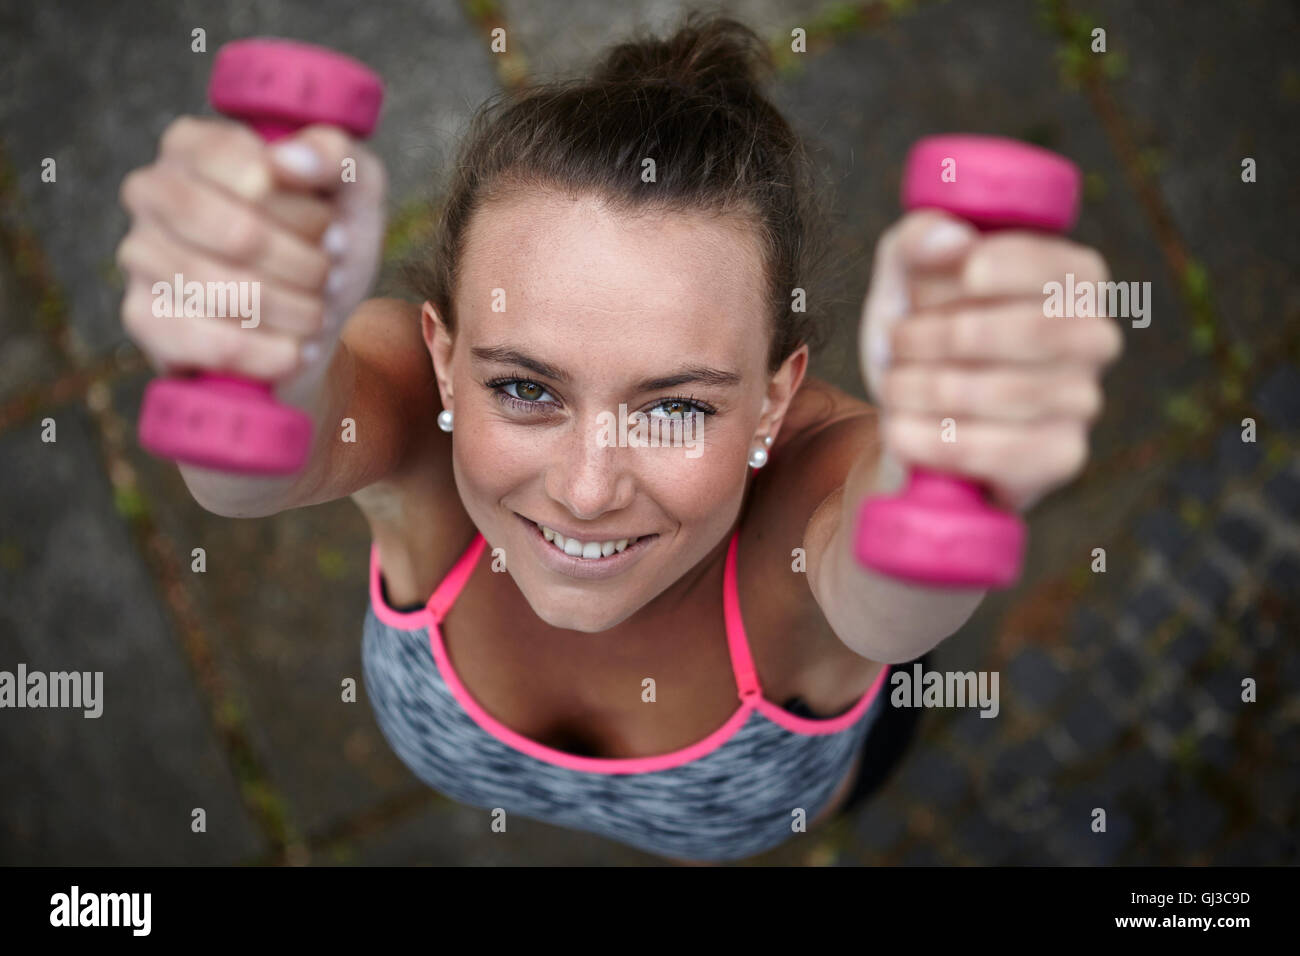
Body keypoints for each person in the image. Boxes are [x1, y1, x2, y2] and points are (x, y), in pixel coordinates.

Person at [114, 13, 1122, 864]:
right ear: (442, 351)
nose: (587, 490)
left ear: (775, 402)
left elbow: (888, 599)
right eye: (523, 387)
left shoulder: (816, 491)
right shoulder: (410, 409)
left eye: (677, 405)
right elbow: (246, 476)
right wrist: (252, 362)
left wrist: (942, 466)